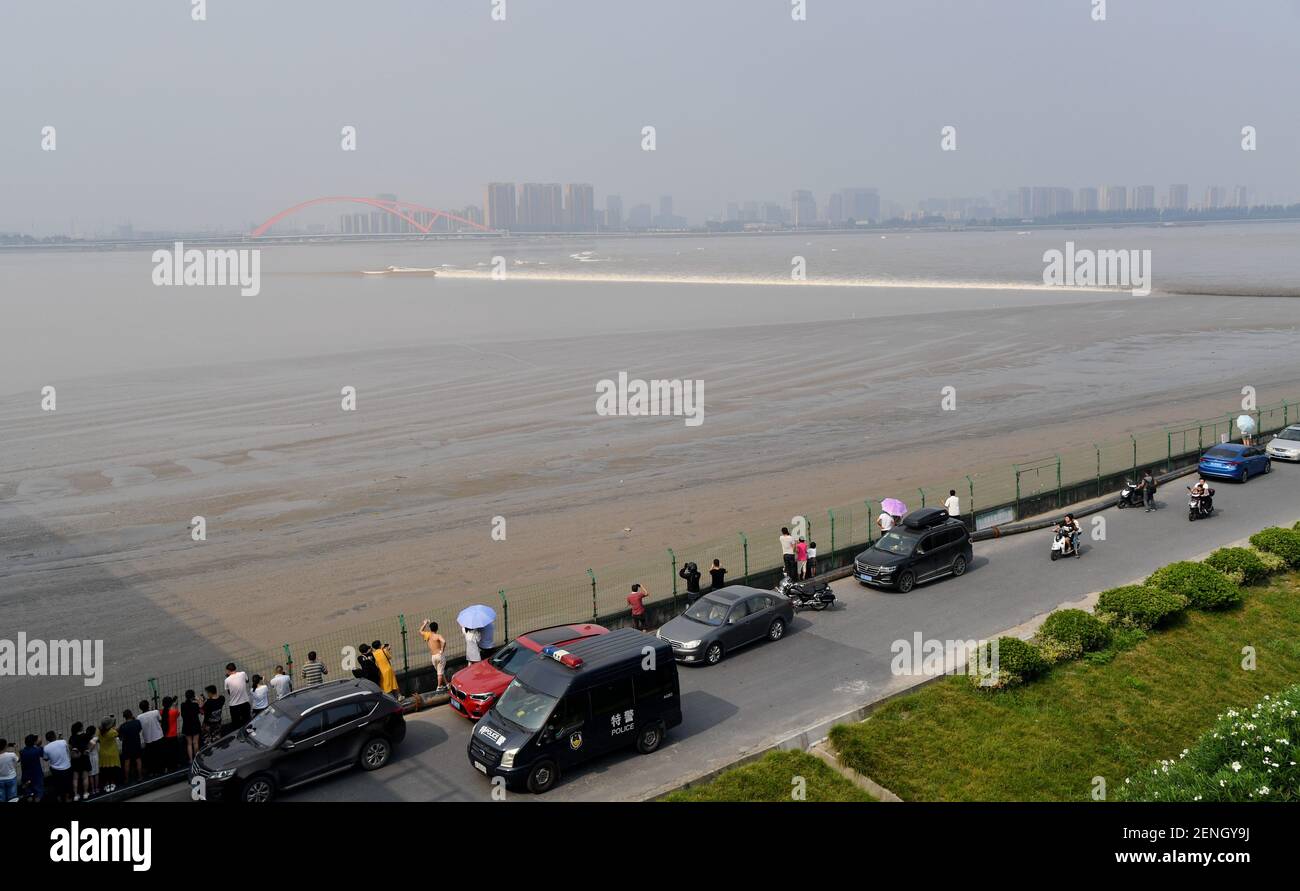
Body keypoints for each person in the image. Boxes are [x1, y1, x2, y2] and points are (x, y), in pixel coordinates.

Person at [136, 700, 164, 777]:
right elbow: (160, 720)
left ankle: (153, 771)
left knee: (151, 757)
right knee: (160, 755)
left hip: (148, 739)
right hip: (158, 736)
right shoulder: (155, 712)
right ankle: (161, 770)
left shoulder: (139, 717)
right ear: (148, 706)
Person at [43, 731, 72, 802]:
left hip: (56, 770)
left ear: (47, 739)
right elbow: (68, 748)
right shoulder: (63, 742)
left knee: (58, 785)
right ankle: (67, 798)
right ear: (55, 736)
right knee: (67, 784)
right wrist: (61, 740)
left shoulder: (46, 748)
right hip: (67, 767)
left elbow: (46, 759)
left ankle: (59, 798)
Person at [420, 620, 447, 692]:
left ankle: (446, 684)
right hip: (439, 655)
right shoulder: (438, 636)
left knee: (439, 672)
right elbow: (444, 641)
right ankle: (439, 687)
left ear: (430, 628)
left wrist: (424, 623)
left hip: (433, 657)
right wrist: (442, 649)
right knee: (440, 673)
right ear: (437, 628)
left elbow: (420, 631)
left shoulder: (427, 635)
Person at [69, 721, 92, 801]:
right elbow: (91, 743)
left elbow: (70, 748)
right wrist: (88, 750)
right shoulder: (85, 736)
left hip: (75, 759)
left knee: (75, 778)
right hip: (84, 758)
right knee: (85, 777)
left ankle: (75, 795)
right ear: (81, 728)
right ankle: (85, 793)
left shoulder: (72, 737)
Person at [97, 717, 121, 793]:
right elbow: (117, 732)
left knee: (105, 770)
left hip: (103, 754)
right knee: (112, 769)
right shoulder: (111, 732)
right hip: (112, 753)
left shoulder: (99, 732)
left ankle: (107, 784)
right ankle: (113, 783)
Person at [224, 663, 251, 730]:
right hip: (245, 702)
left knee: (236, 724)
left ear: (228, 670)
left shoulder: (227, 680)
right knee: (247, 720)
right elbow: (247, 680)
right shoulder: (243, 673)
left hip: (234, 705)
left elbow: (229, 692)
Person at [19, 735, 45, 802]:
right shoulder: (37, 750)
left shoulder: (22, 752)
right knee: (38, 795)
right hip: (37, 776)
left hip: (26, 776)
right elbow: (44, 755)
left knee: (29, 794)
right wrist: (39, 745)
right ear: (34, 742)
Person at [180, 691, 203, 763]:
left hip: (186, 725)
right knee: (195, 742)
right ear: (193, 696)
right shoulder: (195, 705)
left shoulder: (182, 705)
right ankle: (197, 759)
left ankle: (190, 759)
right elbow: (201, 710)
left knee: (189, 743)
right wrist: (199, 699)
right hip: (195, 724)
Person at [161, 696, 181, 771]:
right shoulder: (174, 712)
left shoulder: (161, 712)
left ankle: (167, 766)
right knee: (174, 751)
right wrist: (175, 705)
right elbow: (177, 713)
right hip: (173, 735)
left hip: (165, 735)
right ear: (171, 704)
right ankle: (175, 765)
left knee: (167, 752)